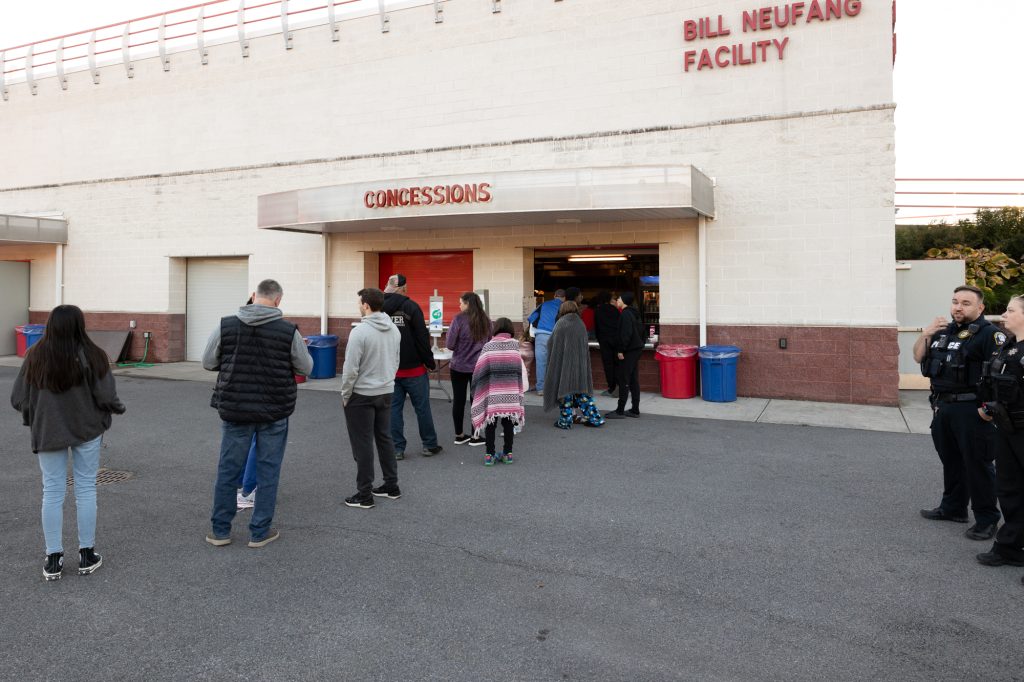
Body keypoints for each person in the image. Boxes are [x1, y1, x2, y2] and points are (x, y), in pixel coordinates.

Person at [10, 304, 126, 581]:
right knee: (86, 489)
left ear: (50, 325)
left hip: (49, 430)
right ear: (79, 325)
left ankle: (54, 559)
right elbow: (107, 395)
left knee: (52, 492)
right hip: (87, 428)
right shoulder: (94, 355)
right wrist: (115, 409)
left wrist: (34, 415)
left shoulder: (35, 355)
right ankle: (87, 554)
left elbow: (18, 398)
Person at [203, 279, 313, 548]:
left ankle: (220, 531)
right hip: (274, 409)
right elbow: (306, 367)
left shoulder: (225, 324)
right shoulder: (288, 332)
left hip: (235, 408)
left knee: (228, 469)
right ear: (278, 301)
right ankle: (259, 532)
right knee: (268, 470)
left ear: (253, 296)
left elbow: (208, 362)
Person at [914, 285, 1002, 540]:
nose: (958, 307)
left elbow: (1000, 375)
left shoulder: (990, 335)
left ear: (980, 308)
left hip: (971, 409)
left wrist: (988, 409)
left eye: (965, 303)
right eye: (955, 302)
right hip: (942, 406)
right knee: (951, 460)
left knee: (978, 465)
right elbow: (919, 357)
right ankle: (953, 508)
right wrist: (926, 333)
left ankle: (987, 519)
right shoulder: (943, 332)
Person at [975, 294, 1024, 579]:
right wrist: (989, 408)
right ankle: (1010, 546)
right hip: (1007, 430)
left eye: (1010, 310)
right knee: (1008, 489)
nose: (1003, 315)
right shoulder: (1009, 346)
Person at [340, 287, 402, 509]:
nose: (358, 305)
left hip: (362, 395)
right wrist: (387, 382)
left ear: (366, 305)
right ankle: (391, 485)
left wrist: (345, 394)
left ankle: (364, 494)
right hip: (386, 391)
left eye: (359, 302)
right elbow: (395, 361)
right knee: (384, 438)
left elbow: (350, 369)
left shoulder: (360, 332)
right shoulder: (394, 329)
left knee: (363, 443)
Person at [381, 273, 443, 460]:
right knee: (422, 408)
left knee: (393, 410)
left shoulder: (380, 309)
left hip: (391, 370)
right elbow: (421, 338)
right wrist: (430, 362)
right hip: (414, 369)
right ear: (404, 288)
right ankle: (429, 445)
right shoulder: (412, 307)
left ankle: (397, 449)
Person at [470, 318, 528, 466]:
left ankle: (489, 455)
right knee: (509, 424)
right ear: (510, 330)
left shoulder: (488, 347)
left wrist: (476, 388)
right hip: (510, 392)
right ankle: (508, 454)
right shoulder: (515, 347)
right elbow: (518, 371)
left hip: (493, 393)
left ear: (496, 329)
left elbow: (478, 371)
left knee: (491, 424)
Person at [542, 301, 605, 429]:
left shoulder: (561, 323)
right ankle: (595, 418)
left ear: (562, 310)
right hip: (579, 365)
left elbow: (551, 343)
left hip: (565, 365)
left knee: (565, 393)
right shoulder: (580, 324)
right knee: (582, 393)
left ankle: (565, 421)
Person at [447, 291, 491, 446]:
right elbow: (490, 343)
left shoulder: (458, 319)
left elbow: (450, 344)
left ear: (468, 304)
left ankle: (459, 435)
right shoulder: (486, 320)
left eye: (461, 303)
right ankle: (476, 436)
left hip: (458, 366)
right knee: (477, 402)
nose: (459, 305)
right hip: (478, 367)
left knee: (458, 401)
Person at [605, 292, 644, 419]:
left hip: (628, 350)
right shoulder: (634, 313)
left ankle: (620, 410)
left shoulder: (626, 314)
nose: (617, 301)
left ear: (624, 301)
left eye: (619, 299)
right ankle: (635, 409)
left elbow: (626, 334)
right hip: (635, 349)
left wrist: (621, 350)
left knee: (623, 379)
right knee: (633, 380)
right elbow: (641, 332)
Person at [527, 289, 565, 396]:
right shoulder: (565, 307)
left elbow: (531, 318)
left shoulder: (544, 305)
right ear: (564, 298)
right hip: (556, 336)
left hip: (541, 336)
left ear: (554, 296)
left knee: (541, 363)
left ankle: (541, 389)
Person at [593, 291, 620, 396]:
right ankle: (618, 386)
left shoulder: (598, 310)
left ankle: (611, 388)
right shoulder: (615, 310)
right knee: (617, 363)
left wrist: (599, 338)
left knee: (608, 364)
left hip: (604, 340)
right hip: (616, 340)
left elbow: (597, 327)